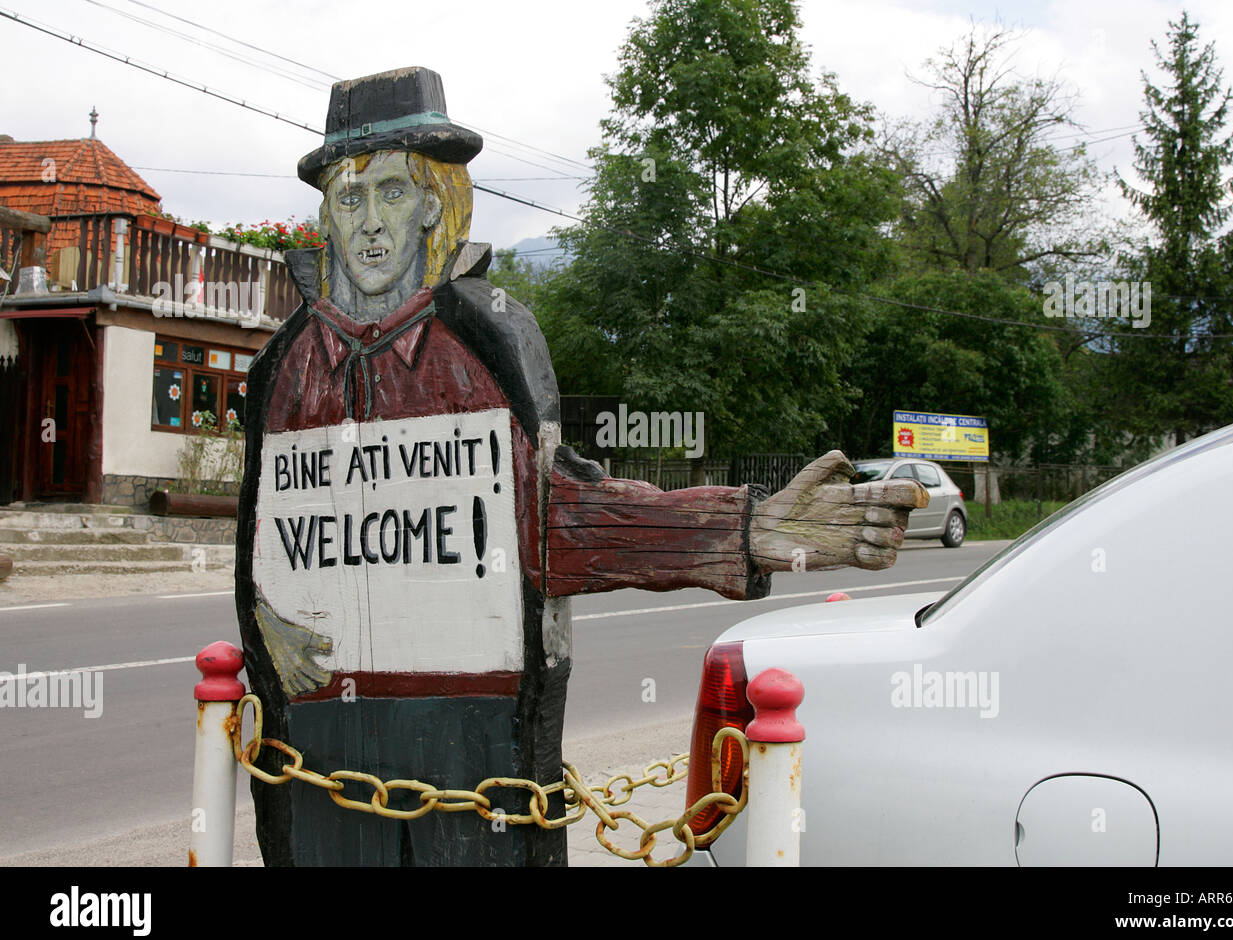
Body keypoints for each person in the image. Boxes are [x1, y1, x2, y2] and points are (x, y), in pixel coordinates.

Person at [235, 66, 926, 865]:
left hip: (472, 737)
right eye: (348, 199)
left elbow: (557, 518)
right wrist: (261, 624)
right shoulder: (283, 367)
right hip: (315, 740)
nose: (370, 225)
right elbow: (265, 538)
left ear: (432, 201)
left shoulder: (482, 337)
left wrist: (746, 531)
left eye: (391, 191)